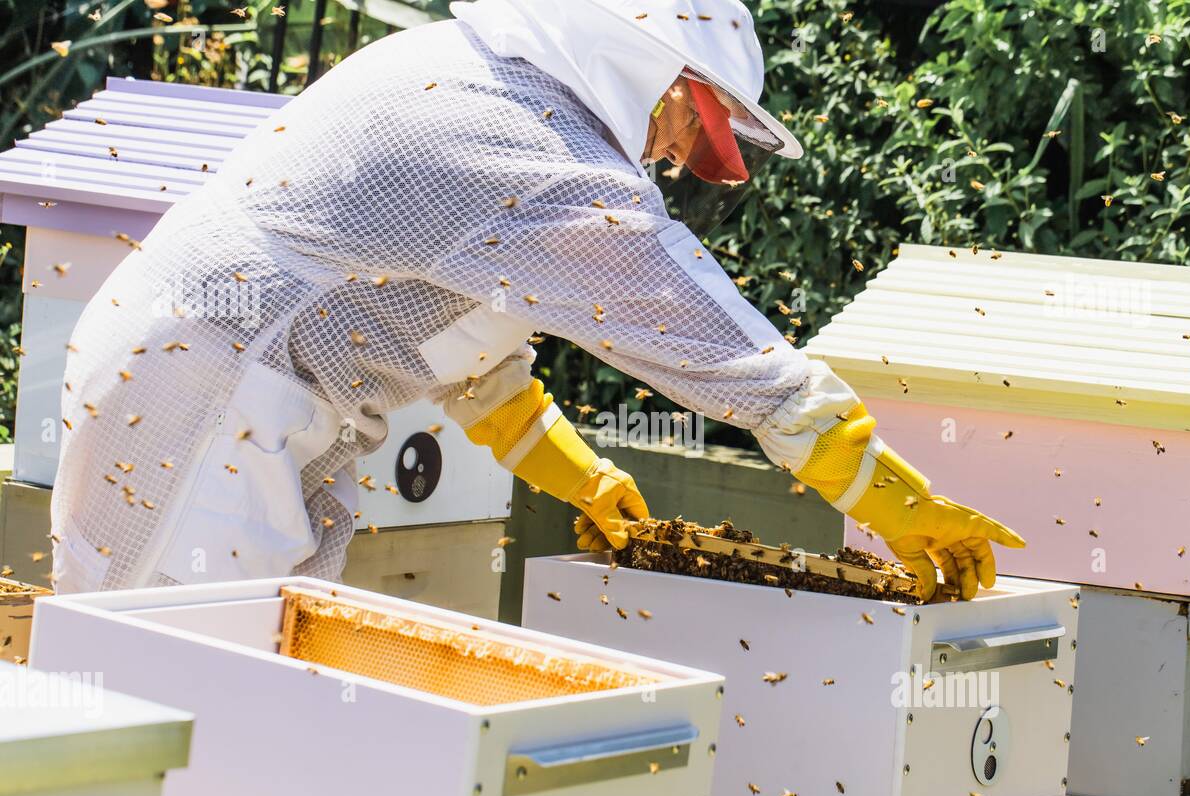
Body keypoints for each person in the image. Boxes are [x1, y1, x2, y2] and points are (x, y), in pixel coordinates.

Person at [51, 0, 1022, 601]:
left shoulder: (494, 94)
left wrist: (575, 473)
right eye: (693, 126)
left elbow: (457, 340)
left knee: (245, 689)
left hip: (245, 396)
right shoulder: (520, 130)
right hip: (203, 395)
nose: (678, 156)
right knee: (167, 696)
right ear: (645, 66)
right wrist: (881, 489)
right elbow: (705, 336)